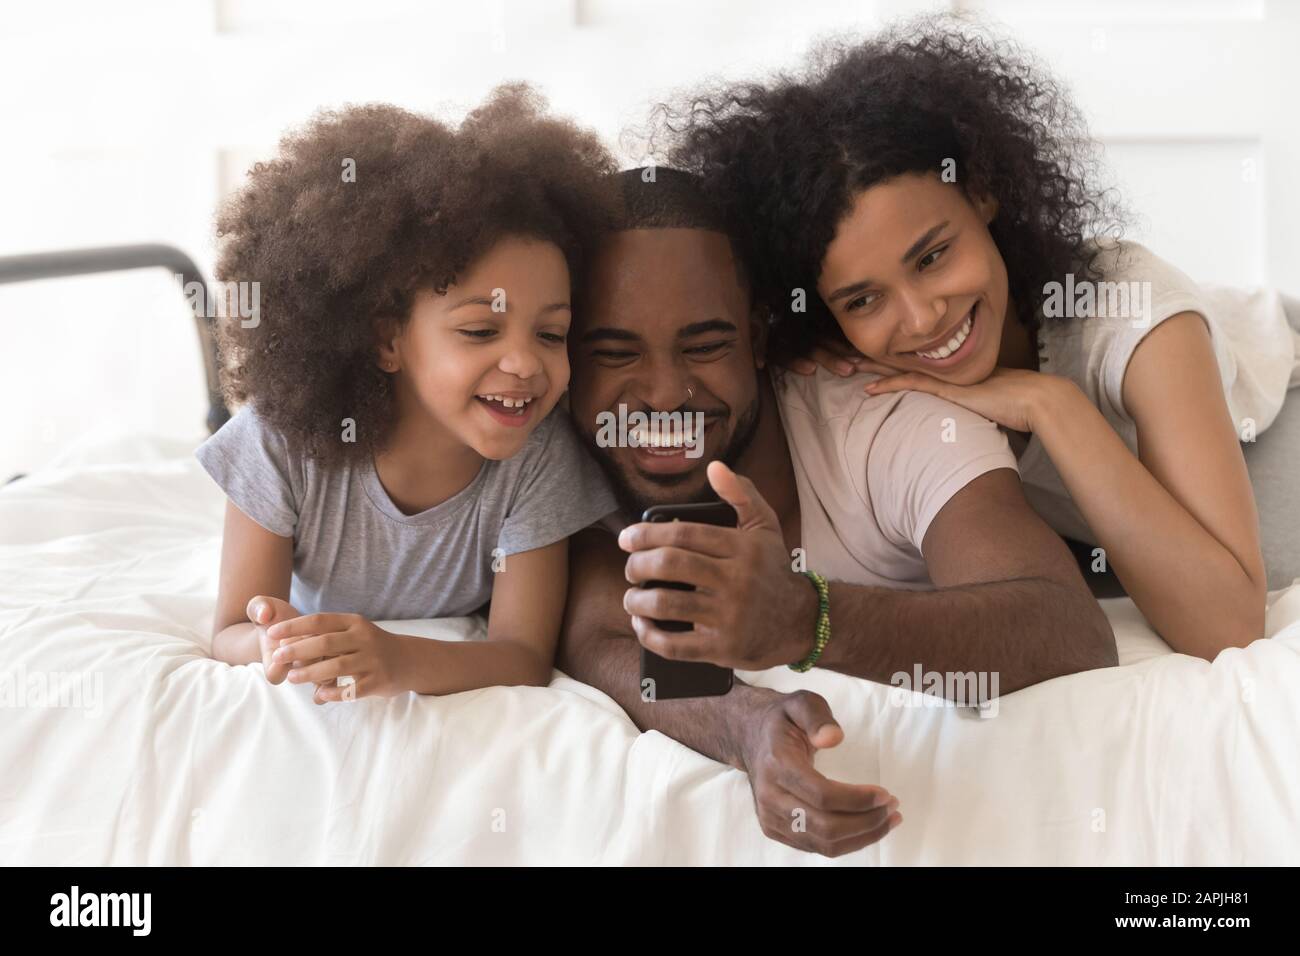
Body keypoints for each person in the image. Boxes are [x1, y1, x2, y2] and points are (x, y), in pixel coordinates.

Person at [657, 19, 1300, 658]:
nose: (920, 317)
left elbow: (1227, 626)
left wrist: (1051, 405)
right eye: (863, 298)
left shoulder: (1129, 312)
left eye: (933, 257)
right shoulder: (849, 360)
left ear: (982, 193)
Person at [557, 168, 1116, 857]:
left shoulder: (888, 418)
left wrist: (804, 617)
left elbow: (1068, 627)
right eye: (614, 354)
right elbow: (593, 632)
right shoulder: (562, 447)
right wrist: (746, 724)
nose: (667, 396)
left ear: (760, 339)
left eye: (706, 346)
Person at [198, 86, 619, 702]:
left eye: (551, 333)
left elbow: (524, 656)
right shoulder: (281, 442)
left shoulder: (540, 459)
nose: (525, 361)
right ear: (387, 340)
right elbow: (231, 629)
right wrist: (276, 643)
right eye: (480, 330)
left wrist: (397, 660)